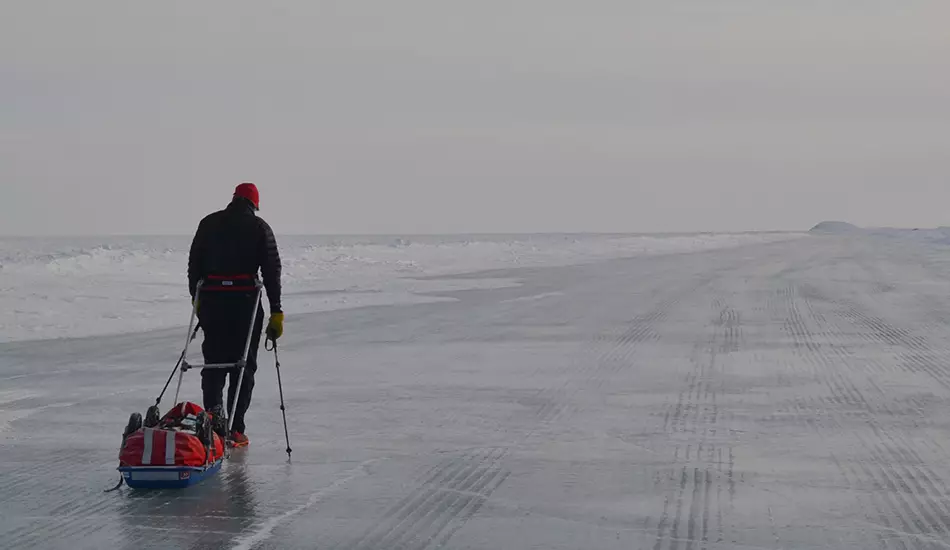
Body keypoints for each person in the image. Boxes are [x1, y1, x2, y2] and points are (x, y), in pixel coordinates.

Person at [187, 182, 284, 447]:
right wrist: (277, 311)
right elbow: (272, 271)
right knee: (244, 366)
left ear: (234, 199)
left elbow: (193, 265)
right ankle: (236, 428)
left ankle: (214, 420)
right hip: (246, 305)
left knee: (214, 363)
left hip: (213, 304)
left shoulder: (208, 224)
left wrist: (197, 302)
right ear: (254, 203)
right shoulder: (260, 228)